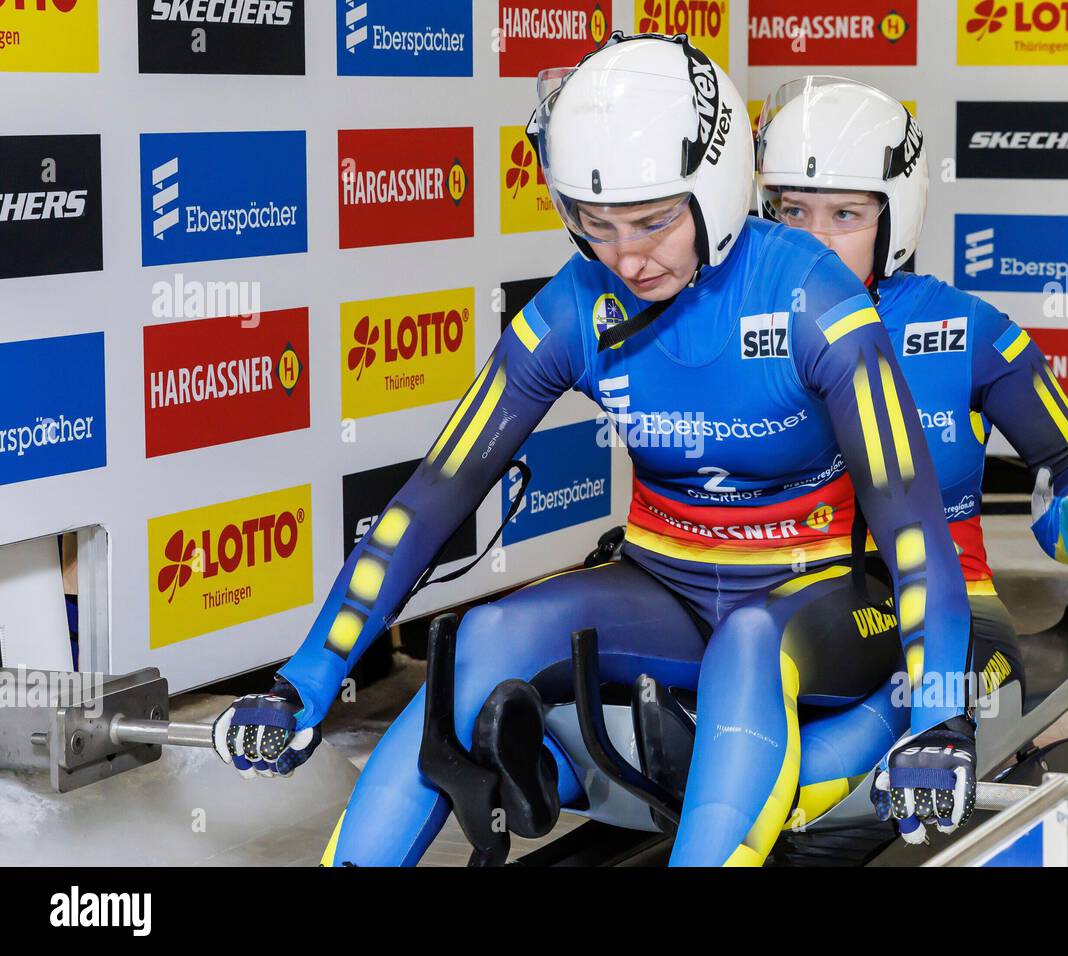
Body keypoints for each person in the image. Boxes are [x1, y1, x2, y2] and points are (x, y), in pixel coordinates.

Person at [213, 35, 983, 866]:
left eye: (654, 221)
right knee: (491, 634)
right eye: (597, 223)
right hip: (663, 584)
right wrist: (306, 680)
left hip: (825, 593)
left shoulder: (811, 295)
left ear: (716, 192)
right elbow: (432, 498)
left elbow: (911, 519)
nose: (627, 255)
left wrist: (942, 713)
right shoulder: (577, 304)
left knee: (750, 645)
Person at [756, 76, 1068, 833]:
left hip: (955, 615)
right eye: (793, 211)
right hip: (791, 600)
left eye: (845, 214)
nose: (812, 238)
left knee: (813, 763)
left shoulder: (967, 327)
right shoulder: (738, 319)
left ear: (898, 215)